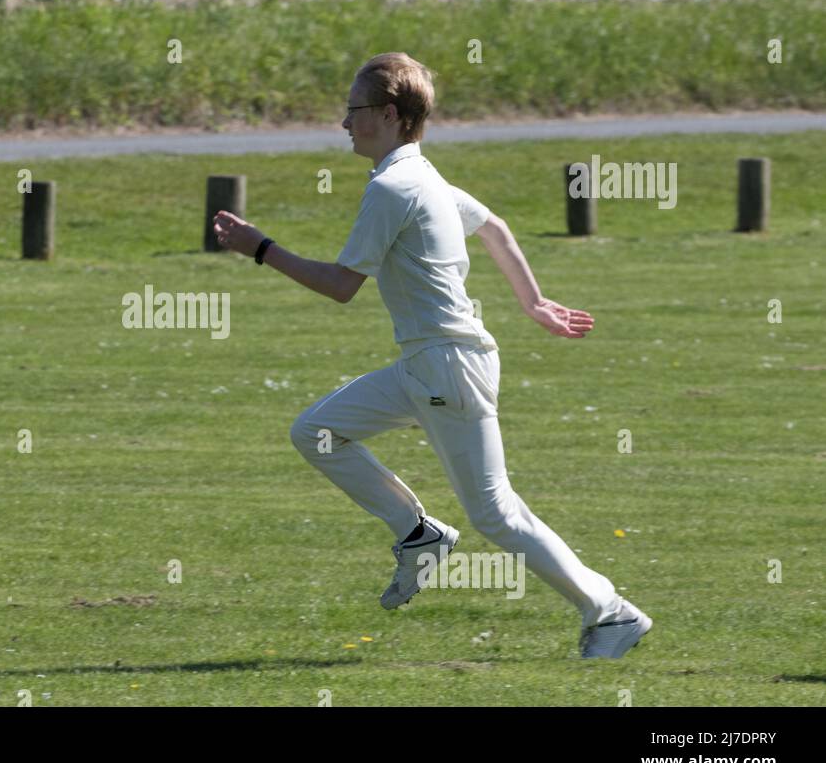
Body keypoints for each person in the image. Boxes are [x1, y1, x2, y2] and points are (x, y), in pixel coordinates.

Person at [211, 52, 651, 659]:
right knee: (315, 431)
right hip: (430, 366)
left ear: (388, 115)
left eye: (353, 110)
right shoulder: (425, 178)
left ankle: (611, 613)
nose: (344, 123)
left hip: (447, 367)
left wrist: (259, 247)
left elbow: (342, 285)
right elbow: (495, 227)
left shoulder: (395, 187)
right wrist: (534, 301)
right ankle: (417, 532)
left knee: (497, 515)